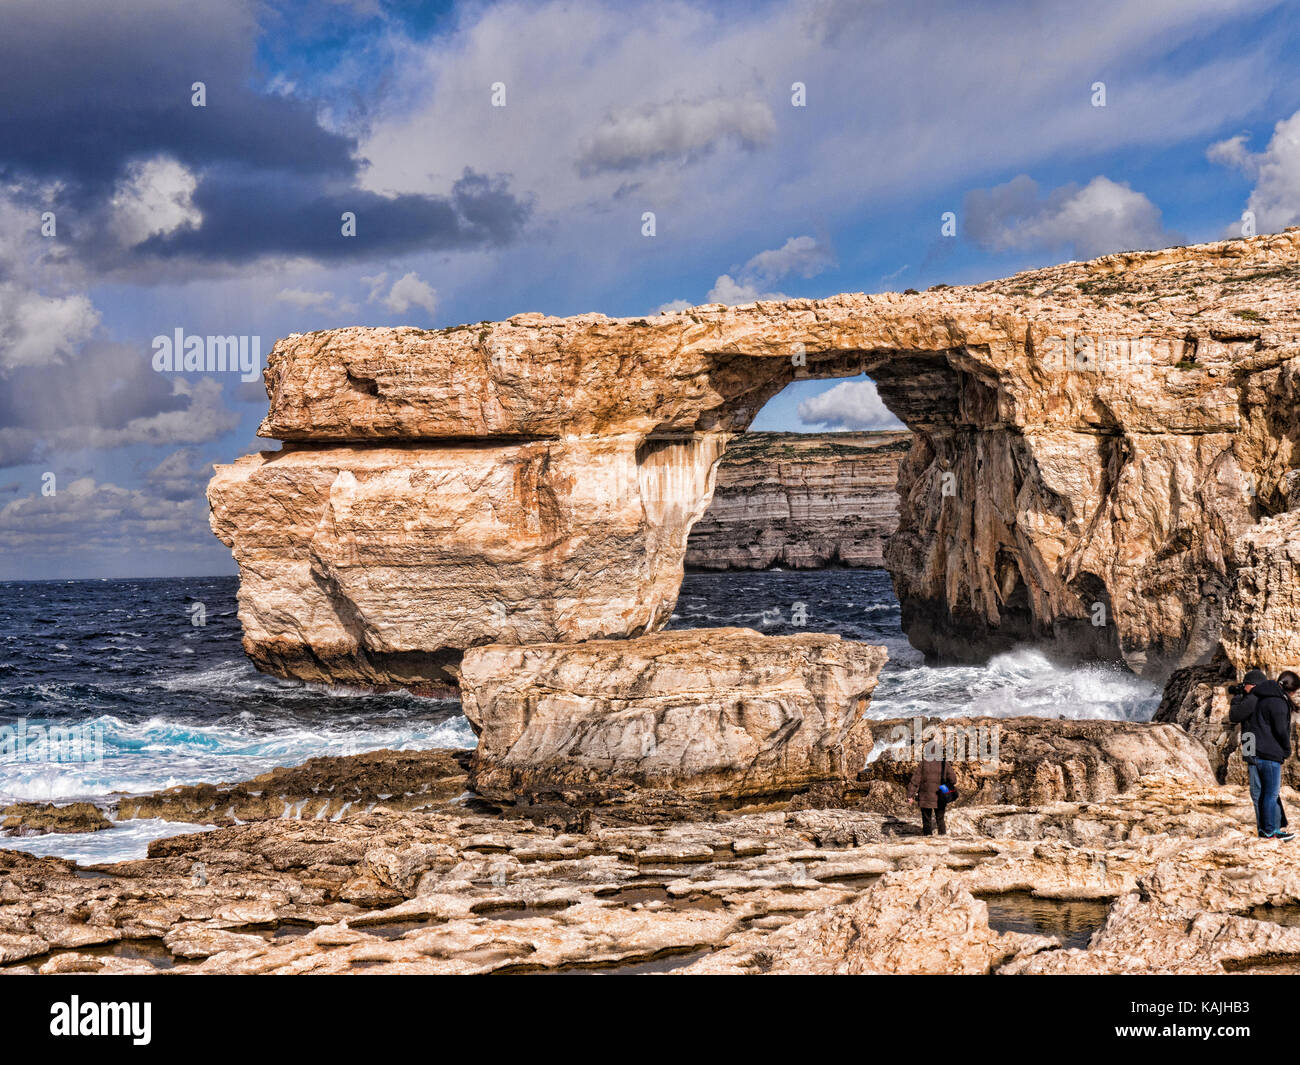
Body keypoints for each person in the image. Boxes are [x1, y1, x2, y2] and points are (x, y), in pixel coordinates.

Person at [1229, 668, 1295, 841]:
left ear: (1253, 685)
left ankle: (1267, 829)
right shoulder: (1264, 697)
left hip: (1255, 745)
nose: (1244, 688)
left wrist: (1236, 700)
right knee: (1265, 791)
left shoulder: (1253, 698)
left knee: (1260, 792)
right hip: (1256, 744)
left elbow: (1235, 715)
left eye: (1246, 685)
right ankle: (1270, 828)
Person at [907, 755, 957, 836]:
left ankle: (928, 839)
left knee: (926, 821)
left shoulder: (923, 763)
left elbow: (915, 781)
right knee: (940, 820)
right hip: (941, 796)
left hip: (925, 797)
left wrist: (910, 796)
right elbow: (953, 780)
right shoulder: (944, 763)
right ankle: (942, 839)